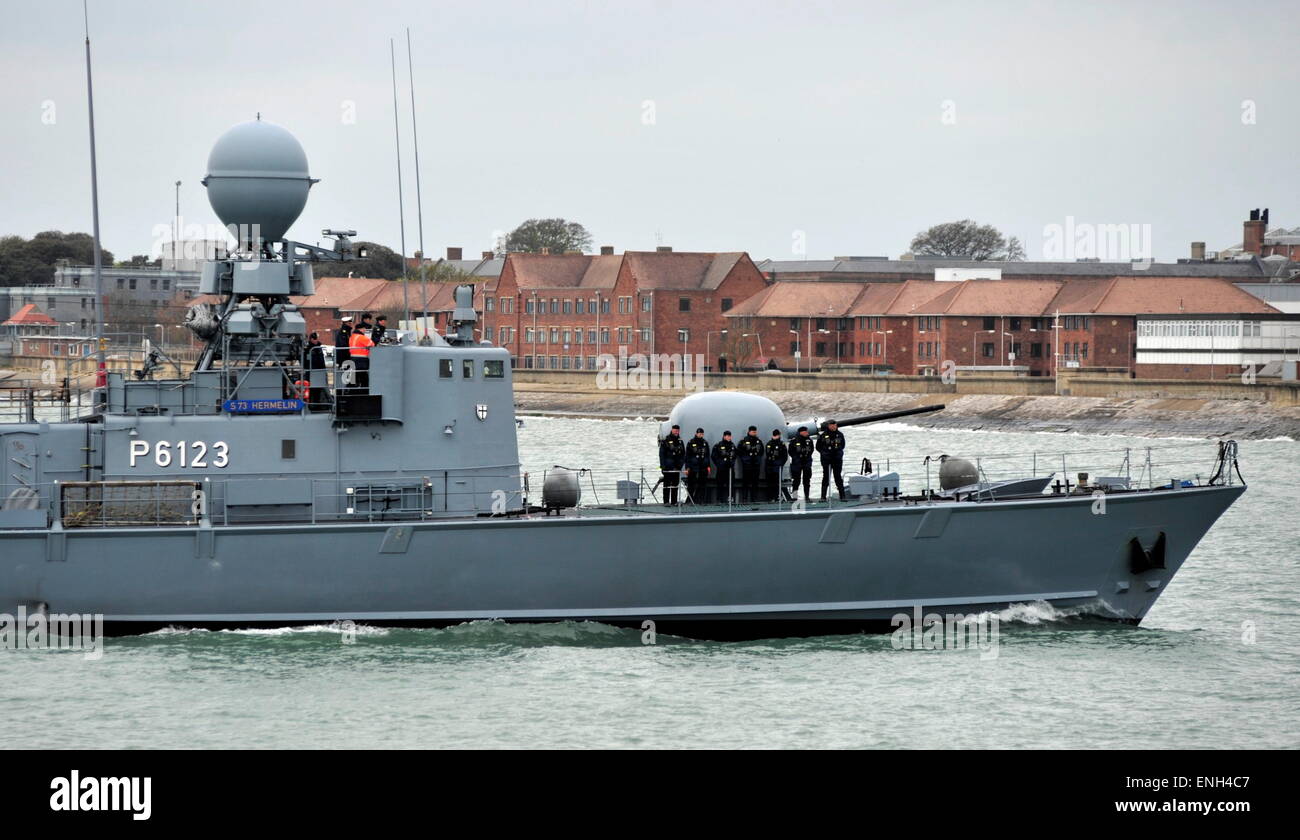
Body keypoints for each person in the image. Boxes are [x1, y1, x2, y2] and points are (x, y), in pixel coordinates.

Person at [816, 419, 847, 500]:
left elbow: (842, 445)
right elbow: (818, 447)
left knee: (838, 477)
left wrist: (838, 454)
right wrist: (824, 454)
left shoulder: (840, 435)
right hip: (826, 459)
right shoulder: (823, 435)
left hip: (837, 459)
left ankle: (842, 496)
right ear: (828, 426)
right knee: (826, 477)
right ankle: (823, 497)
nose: (833, 426)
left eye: (835, 425)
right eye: (832, 425)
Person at [658, 424, 686, 505]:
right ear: (672, 430)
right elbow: (661, 455)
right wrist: (662, 466)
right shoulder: (666, 441)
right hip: (668, 467)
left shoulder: (680, 441)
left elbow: (683, 454)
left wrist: (680, 465)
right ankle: (666, 501)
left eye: (677, 430)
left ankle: (674, 501)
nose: (676, 431)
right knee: (666, 485)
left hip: (677, 467)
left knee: (675, 485)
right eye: (675, 430)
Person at [736, 426, 764, 504]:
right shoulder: (743, 441)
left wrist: (757, 460)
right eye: (753, 432)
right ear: (749, 432)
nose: (754, 433)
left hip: (755, 465)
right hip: (747, 465)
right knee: (746, 482)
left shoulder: (758, 441)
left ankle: (754, 498)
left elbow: (761, 452)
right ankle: (744, 498)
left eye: (755, 432)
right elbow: (739, 452)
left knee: (755, 482)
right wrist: (746, 460)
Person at [684, 427, 711, 504]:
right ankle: (690, 500)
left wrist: (708, 466)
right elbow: (687, 456)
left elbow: (707, 455)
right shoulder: (691, 443)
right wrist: (687, 467)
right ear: (696, 434)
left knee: (702, 484)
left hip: (703, 466)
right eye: (699, 433)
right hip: (693, 466)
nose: (701, 435)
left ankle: (701, 500)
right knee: (691, 484)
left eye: (702, 434)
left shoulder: (705, 443)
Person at [788, 426, 814, 500]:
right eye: (805, 432)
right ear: (801, 432)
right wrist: (796, 458)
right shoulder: (794, 441)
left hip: (807, 463)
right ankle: (795, 497)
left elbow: (811, 450)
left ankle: (807, 497)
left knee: (807, 481)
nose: (807, 433)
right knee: (796, 481)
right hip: (797, 463)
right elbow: (791, 452)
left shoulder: (809, 440)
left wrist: (807, 458)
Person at [348, 317, 375, 390]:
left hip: (353, 359)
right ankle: (365, 390)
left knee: (355, 376)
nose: (365, 330)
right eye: (364, 329)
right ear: (360, 329)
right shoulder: (361, 337)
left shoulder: (352, 337)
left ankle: (351, 389)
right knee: (363, 377)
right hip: (361, 359)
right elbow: (372, 344)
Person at [711, 431, 736, 503]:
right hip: (721, 469)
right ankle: (719, 499)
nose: (729, 437)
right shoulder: (718, 445)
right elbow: (713, 456)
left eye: (730, 436)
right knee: (720, 484)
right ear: (724, 436)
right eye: (727, 436)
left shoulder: (732, 445)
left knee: (731, 484)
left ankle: (730, 498)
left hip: (730, 469)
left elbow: (735, 456)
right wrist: (719, 464)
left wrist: (732, 463)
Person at [304, 332, 328, 408]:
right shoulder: (308, 349)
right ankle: (311, 404)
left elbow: (321, 360)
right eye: (315, 339)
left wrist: (324, 370)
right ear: (311, 339)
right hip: (311, 371)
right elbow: (306, 361)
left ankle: (318, 404)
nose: (316, 340)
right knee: (311, 389)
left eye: (317, 339)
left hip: (319, 370)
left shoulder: (318, 348)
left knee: (318, 388)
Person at [764, 428, 788, 502]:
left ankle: (777, 497)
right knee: (771, 483)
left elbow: (784, 456)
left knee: (777, 482)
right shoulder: (769, 444)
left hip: (777, 466)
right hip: (770, 466)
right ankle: (771, 497)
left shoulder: (781, 444)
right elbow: (768, 455)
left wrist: (780, 464)